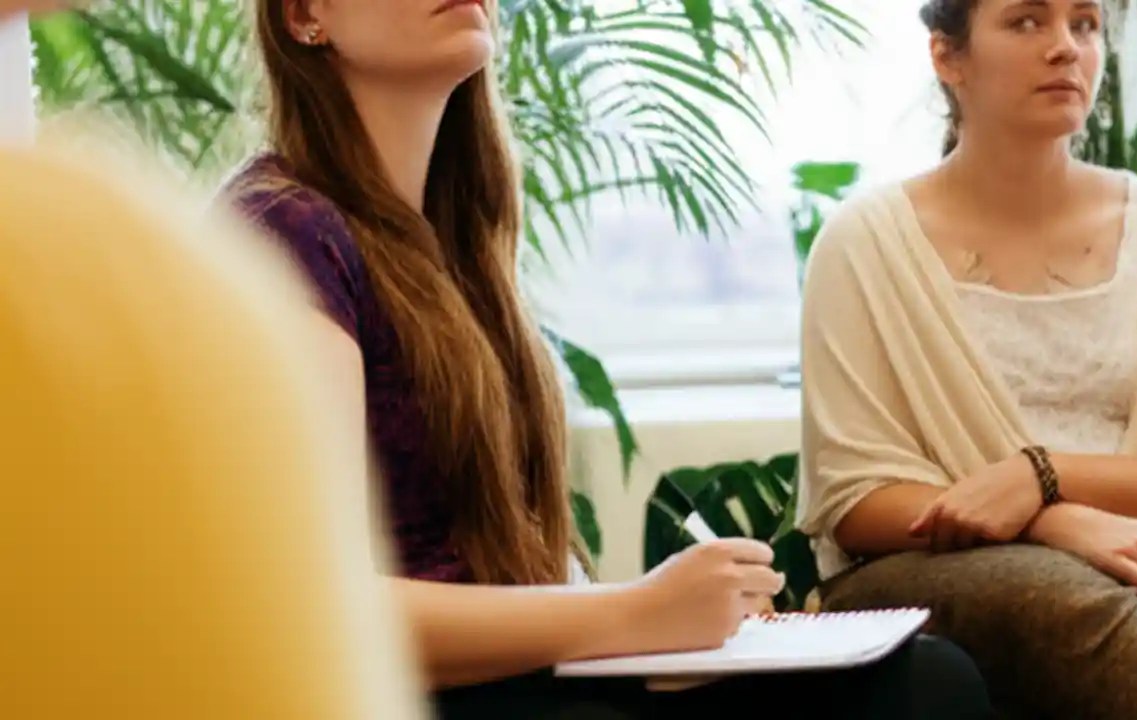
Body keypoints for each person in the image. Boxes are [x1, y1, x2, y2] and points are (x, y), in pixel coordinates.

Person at [217, 1, 995, 717]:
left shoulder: (455, 245)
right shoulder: (285, 232)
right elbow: (309, 603)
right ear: (306, 14)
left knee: (929, 681)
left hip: (515, 680)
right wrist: (633, 614)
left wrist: (687, 618)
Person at [797, 1, 1137, 718]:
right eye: (1027, 22)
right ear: (947, 57)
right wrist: (1053, 522)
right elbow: (856, 503)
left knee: (1101, 601)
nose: (1065, 48)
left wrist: (1043, 479)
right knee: (1063, 594)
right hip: (921, 581)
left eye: (1084, 24)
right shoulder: (865, 245)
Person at [0, 144, 427, 717]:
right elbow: (316, 605)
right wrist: (588, 618)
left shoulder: (458, 232)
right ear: (304, 42)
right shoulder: (284, 229)